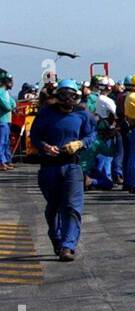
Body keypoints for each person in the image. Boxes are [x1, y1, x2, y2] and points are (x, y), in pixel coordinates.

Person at [28, 79, 96, 262]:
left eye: (72, 96)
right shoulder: (45, 114)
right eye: (64, 95)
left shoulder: (83, 115)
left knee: (72, 207)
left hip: (72, 166)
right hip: (49, 167)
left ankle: (68, 246)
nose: (68, 100)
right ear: (58, 96)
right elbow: (34, 136)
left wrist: (80, 143)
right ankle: (56, 237)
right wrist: (45, 147)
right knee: (53, 208)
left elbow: (91, 134)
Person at [0, 70, 15, 170]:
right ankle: (1, 162)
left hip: (7, 121)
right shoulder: (1, 92)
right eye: (10, 81)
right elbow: (8, 106)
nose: (12, 83)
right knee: (1, 142)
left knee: (6, 142)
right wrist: (11, 106)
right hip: (2, 121)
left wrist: (12, 105)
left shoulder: (6, 93)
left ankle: (5, 160)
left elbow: (13, 103)